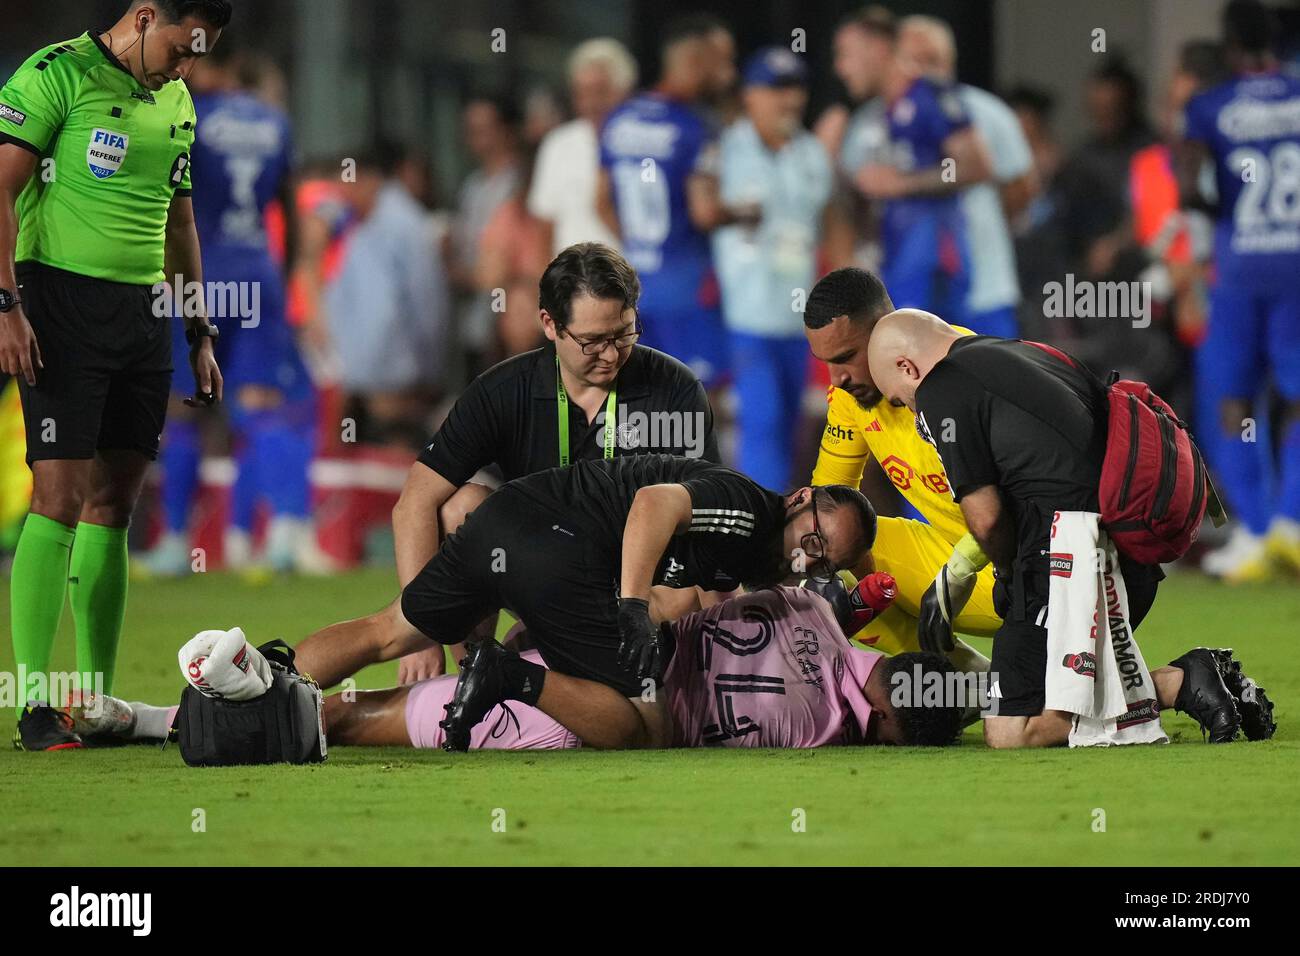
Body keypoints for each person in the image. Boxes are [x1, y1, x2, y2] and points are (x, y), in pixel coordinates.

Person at [286, 453, 877, 752]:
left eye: (827, 560)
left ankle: (250, 692)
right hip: (561, 555)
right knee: (647, 725)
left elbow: (702, 601)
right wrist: (629, 606)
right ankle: (504, 674)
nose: (813, 557)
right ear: (800, 498)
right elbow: (653, 503)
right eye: (816, 538)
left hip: (507, 519)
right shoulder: (748, 513)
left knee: (387, 631)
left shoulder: (754, 554)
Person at [0, 0, 232, 751]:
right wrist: (7, 307)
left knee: (114, 507)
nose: (187, 65)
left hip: (143, 313)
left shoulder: (178, 100)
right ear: (143, 16)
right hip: (58, 302)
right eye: (180, 45)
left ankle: (95, 702)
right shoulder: (54, 76)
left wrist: (198, 328)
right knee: (58, 496)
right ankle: (34, 703)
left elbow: (181, 221)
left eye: (199, 53)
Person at [865, 309, 1254, 748]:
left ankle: (1178, 682)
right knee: (1054, 696)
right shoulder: (1028, 352)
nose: (904, 406)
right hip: (1129, 562)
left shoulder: (942, 389)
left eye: (897, 398)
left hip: (1064, 567)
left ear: (907, 368)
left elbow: (988, 516)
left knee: (1012, 730)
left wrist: (1003, 579)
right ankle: (1197, 680)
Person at [392, 243, 719, 683]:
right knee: (460, 506)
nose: (611, 354)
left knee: (689, 593)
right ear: (550, 324)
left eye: (624, 333)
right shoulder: (503, 390)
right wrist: (424, 634)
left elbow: (710, 512)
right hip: (540, 567)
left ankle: (552, 651)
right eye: (592, 341)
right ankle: (477, 674)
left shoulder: (675, 389)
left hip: (639, 582)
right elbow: (413, 503)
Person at [140, 41, 322, 577]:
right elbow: (286, 207)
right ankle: (283, 538)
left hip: (201, 271)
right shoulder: (273, 121)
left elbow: (168, 204)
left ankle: (175, 541)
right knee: (263, 406)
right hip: (258, 273)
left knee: (182, 407)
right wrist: (280, 280)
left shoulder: (187, 115)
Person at [804, 268, 998, 662]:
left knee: (1033, 719)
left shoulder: (967, 370)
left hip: (1035, 564)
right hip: (953, 560)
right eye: (826, 362)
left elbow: (1018, 503)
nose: (837, 378)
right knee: (820, 545)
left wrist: (955, 575)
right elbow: (825, 505)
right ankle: (962, 678)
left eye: (845, 358)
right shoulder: (850, 395)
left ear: (886, 334)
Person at [1177, 0, 1300, 582]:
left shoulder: (1209, 108)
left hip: (1239, 270)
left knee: (1231, 403)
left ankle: (1253, 530)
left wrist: (1196, 265)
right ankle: (1291, 523)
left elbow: (1194, 192)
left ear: (1228, 48)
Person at [713, 47, 831, 490]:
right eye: (776, 89)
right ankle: (760, 536)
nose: (788, 100)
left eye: (795, 88)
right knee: (760, 424)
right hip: (745, 314)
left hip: (798, 318)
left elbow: (827, 227)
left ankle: (777, 528)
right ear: (751, 95)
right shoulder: (726, 148)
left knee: (791, 428)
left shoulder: (811, 153)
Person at [596, 16, 736, 388]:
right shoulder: (697, 126)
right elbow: (704, 212)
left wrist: (638, 247)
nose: (727, 72)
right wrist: (747, 212)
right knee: (696, 395)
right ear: (696, 60)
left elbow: (600, 201)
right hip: (688, 286)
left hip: (637, 286)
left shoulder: (619, 119)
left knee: (642, 395)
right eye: (720, 61)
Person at [842, 14, 992, 324]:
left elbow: (976, 165)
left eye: (847, 54)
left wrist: (900, 184)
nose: (841, 67)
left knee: (933, 352)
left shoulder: (930, 94)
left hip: (932, 250)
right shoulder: (883, 111)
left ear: (878, 49)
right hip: (900, 252)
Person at [897, 15, 1037, 339]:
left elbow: (1021, 187)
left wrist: (981, 227)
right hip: (911, 286)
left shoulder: (988, 113)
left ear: (951, 63)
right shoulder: (880, 119)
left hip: (985, 286)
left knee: (997, 383)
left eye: (932, 60)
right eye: (912, 60)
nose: (923, 71)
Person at [324, 142, 449, 448]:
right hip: (356, 384)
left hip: (399, 381)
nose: (341, 192)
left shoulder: (406, 224)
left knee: (398, 464)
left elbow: (428, 301)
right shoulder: (352, 224)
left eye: (347, 182)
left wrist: (429, 370)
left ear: (370, 179)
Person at [528, 39, 637, 255]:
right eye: (582, 93)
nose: (591, 103)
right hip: (572, 283)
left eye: (601, 91)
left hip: (634, 281)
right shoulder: (558, 144)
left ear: (625, 90)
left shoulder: (646, 143)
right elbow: (543, 227)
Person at [447, 96, 522, 375]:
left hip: (508, 322)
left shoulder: (520, 184)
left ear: (506, 130)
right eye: (470, 129)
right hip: (473, 319)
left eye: (483, 129)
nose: (474, 138)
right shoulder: (472, 187)